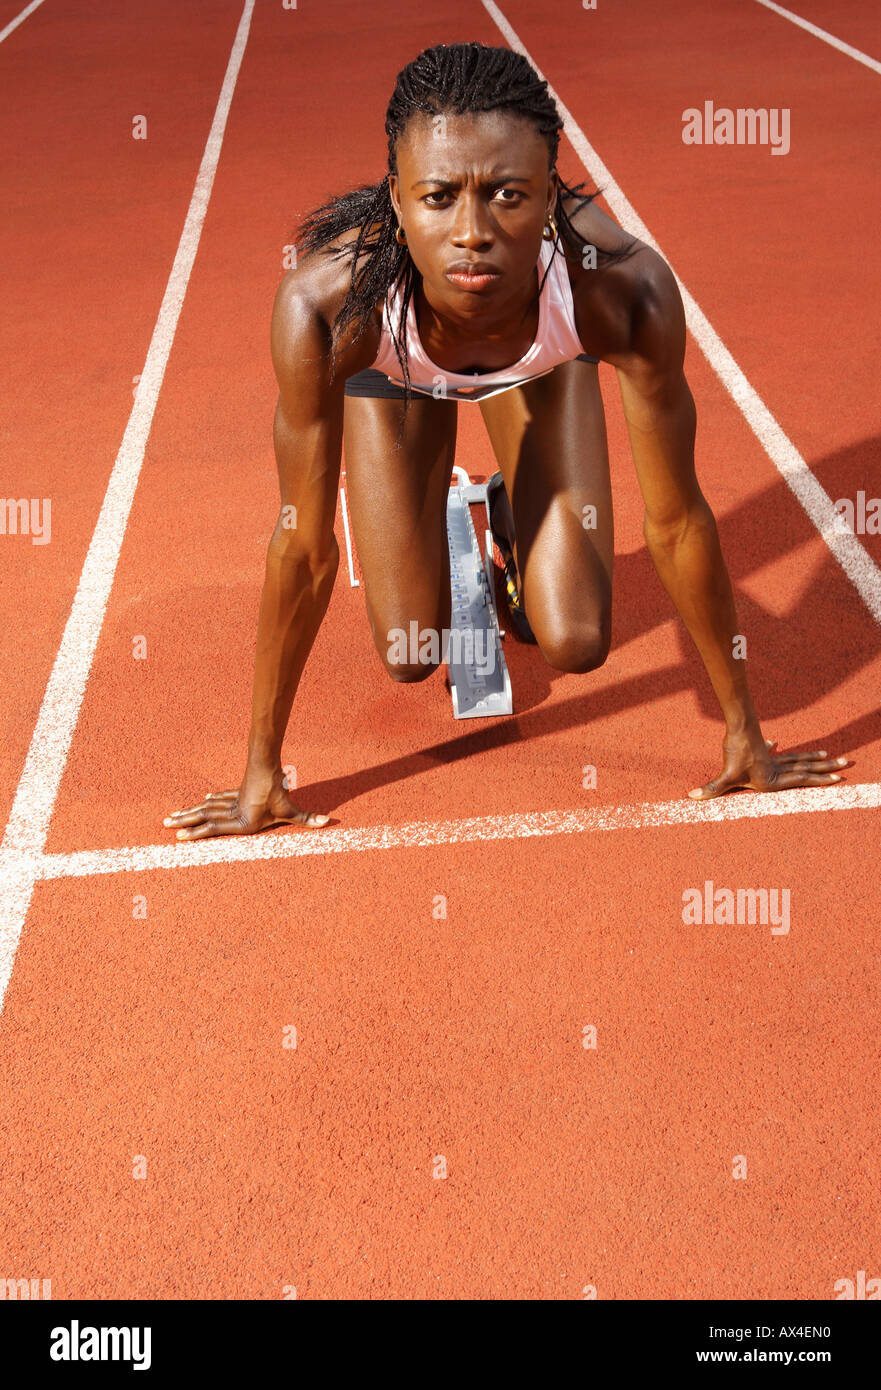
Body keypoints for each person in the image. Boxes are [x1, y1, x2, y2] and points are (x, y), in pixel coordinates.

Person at [164, 41, 847, 842]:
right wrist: (260, 771)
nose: (472, 232)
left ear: (551, 196)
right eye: (437, 196)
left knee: (576, 640)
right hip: (398, 377)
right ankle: (445, 503)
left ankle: (510, 519)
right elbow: (303, 549)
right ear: (395, 199)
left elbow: (677, 519)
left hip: (540, 365)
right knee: (410, 651)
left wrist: (745, 734)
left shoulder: (621, 290)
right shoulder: (327, 309)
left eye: (507, 195)